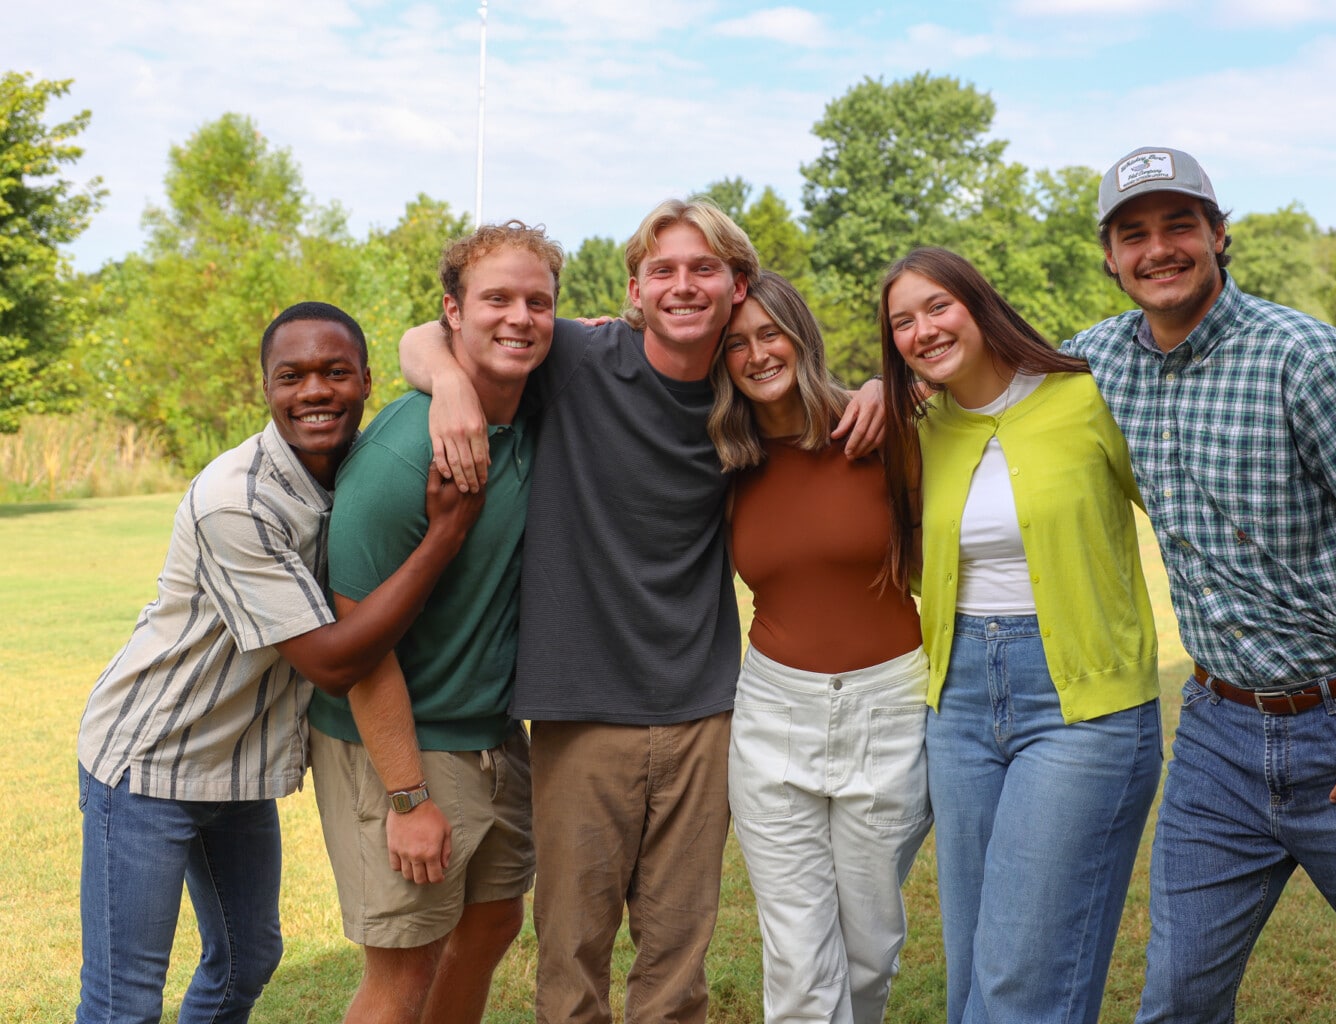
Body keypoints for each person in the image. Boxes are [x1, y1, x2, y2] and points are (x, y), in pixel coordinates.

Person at [400, 199, 884, 1024]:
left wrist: (878, 387)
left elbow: (826, 397)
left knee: (676, 960)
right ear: (635, 289)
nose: (683, 285)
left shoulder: (745, 389)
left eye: (704, 269)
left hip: (704, 711)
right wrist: (448, 383)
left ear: (738, 286)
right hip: (580, 710)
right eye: (663, 270)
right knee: (572, 955)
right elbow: (432, 333)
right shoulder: (578, 358)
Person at [1068, 145, 1336, 1024]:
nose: (1159, 249)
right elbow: (983, 377)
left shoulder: (1305, 354)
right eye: (1133, 234)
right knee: (1177, 1000)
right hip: (1217, 736)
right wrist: (886, 385)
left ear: (1219, 234)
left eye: (1179, 225)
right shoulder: (1093, 362)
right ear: (1109, 257)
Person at [75, 301, 482, 1024]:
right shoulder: (235, 500)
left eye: (336, 372)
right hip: (148, 763)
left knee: (247, 959)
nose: (315, 391)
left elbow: (430, 337)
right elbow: (332, 664)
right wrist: (444, 537)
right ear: (265, 387)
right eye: (291, 376)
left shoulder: (359, 469)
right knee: (125, 999)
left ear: (366, 381)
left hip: (236, 766)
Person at [878, 247, 1162, 1024]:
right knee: (973, 966)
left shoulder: (1086, 397)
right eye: (902, 322)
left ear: (979, 304)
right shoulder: (920, 430)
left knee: (1020, 976)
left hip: (1082, 705)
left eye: (938, 306)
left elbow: (1185, 513)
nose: (923, 330)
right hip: (958, 706)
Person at [308, 222, 561, 1024]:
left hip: (492, 733)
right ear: (453, 312)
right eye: (497, 299)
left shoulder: (532, 408)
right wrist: (408, 797)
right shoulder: (403, 456)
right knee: (403, 971)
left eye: (538, 301)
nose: (520, 317)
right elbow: (361, 647)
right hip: (401, 742)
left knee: (490, 925)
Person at [708, 271, 930, 1024]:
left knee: (869, 952)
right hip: (775, 716)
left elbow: (970, 380)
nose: (757, 354)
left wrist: (889, 388)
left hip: (888, 711)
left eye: (771, 333)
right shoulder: (724, 456)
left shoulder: (880, 428)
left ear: (801, 335)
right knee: (800, 963)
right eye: (736, 343)